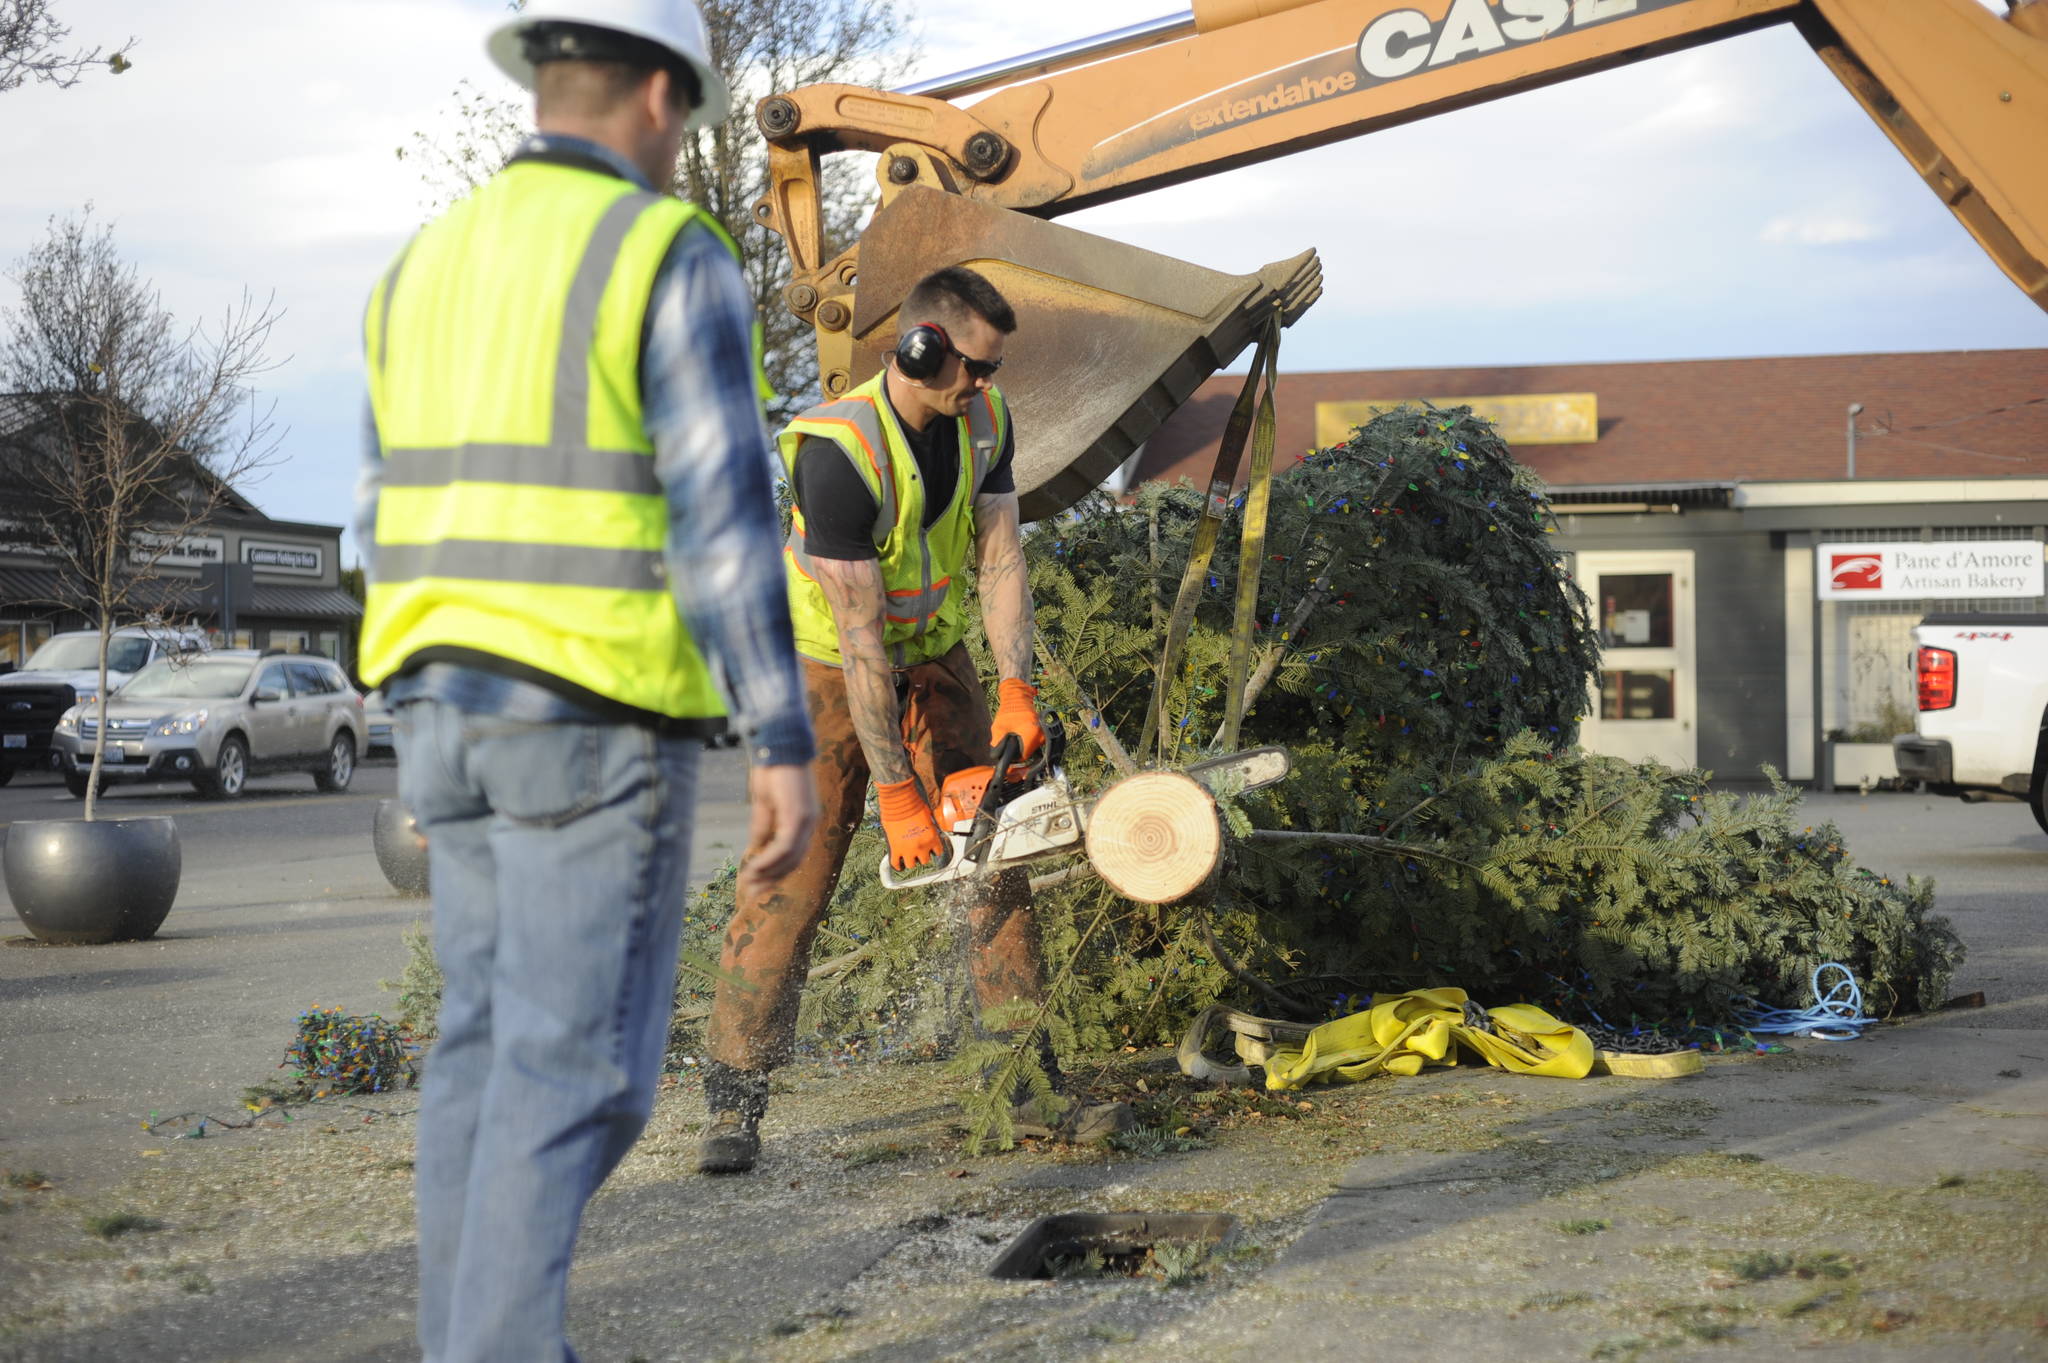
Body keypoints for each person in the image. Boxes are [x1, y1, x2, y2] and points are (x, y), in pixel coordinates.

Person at [353, 3, 817, 1358]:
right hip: (592, 715)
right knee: (582, 1077)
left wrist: (406, 716)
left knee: (482, 1061)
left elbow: (372, 519)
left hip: (440, 711)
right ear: (662, 101)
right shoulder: (664, 249)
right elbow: (725, 516)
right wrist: (779, 735)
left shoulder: (422, 263)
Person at [697, 266, 1130, 1174]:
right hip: (822, 670)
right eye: (972, 366)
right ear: (920, 347)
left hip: (935, 657)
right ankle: (734, 1100)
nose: (985, 384)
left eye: (993, 368)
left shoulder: (987, 423)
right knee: (792, 877)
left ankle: (1025, 1081)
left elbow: (1001, 561)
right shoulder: (838, 452)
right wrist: (895, 791)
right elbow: (858, 638)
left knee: (994, 848)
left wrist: (1016, 690)